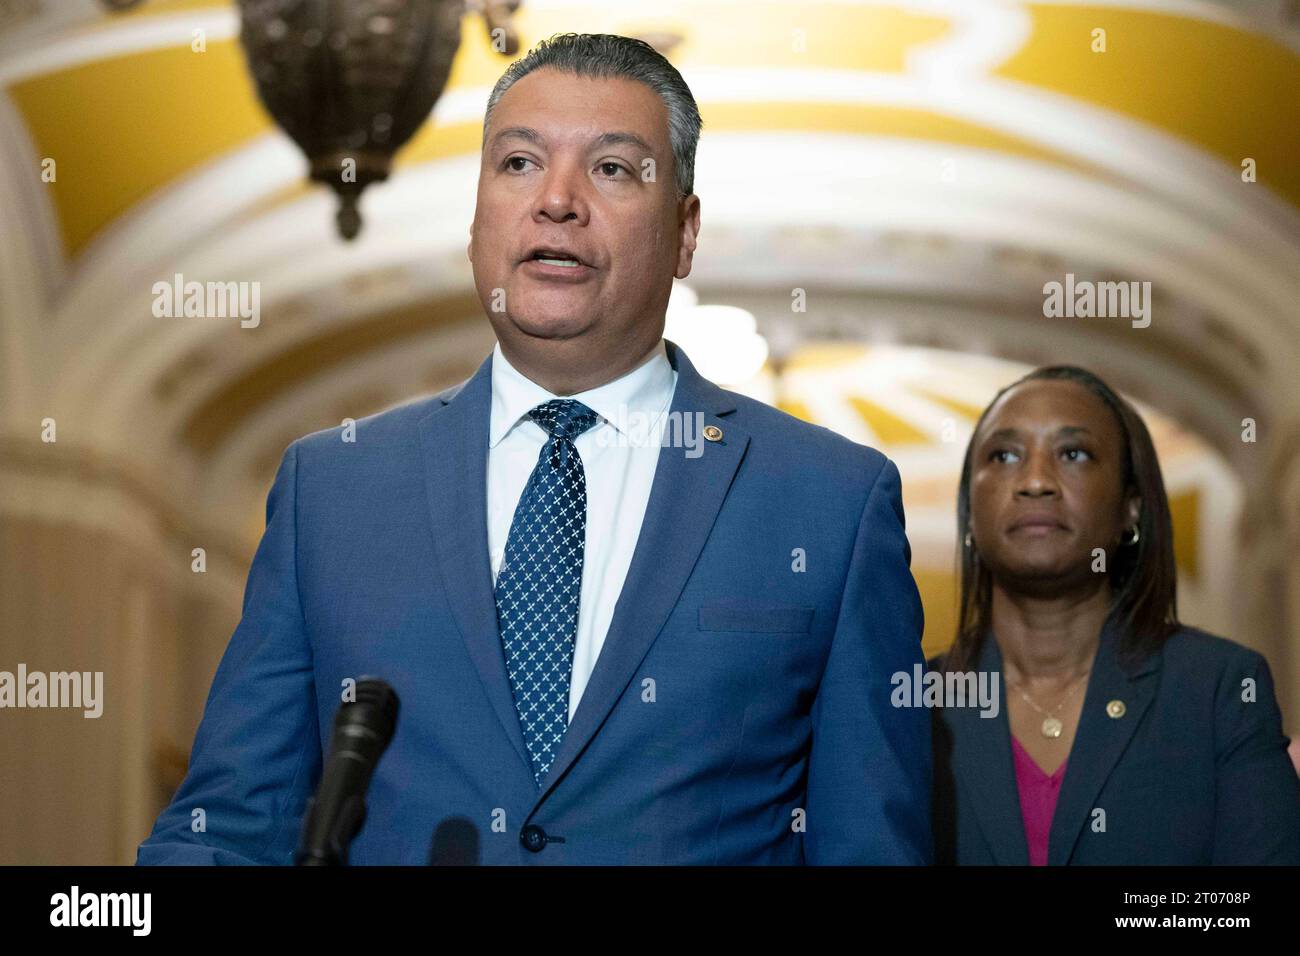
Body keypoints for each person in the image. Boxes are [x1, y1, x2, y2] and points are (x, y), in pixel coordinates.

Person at [137, 33, 930, 865]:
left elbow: (870, 846)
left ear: (686, 233)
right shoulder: (330, 488)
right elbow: (228, 828)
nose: (557, 200)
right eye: (518, 163)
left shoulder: (831, 501)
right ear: (479, 216)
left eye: (614, 169)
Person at [931, 365, 1300, 864]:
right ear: (970, 511)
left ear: (1131, 507)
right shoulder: (914, 704)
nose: (1036, 480)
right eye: (1004, 455)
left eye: (1074, 454)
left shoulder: (1220, 689)